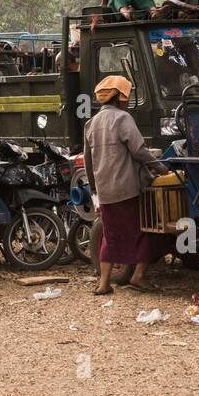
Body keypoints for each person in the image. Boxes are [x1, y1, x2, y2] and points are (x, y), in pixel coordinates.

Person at [84, 75, 162, 295]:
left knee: (111, 235)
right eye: (127, 95)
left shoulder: (91, 123)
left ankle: (104, 283)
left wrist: (94, 188)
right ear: (120, 97)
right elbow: (139, 151)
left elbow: (88, 160)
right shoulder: (123, 118)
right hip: (127, 188)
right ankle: (137, 276)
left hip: (105, 191)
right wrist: (160, 168)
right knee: (145, 231)